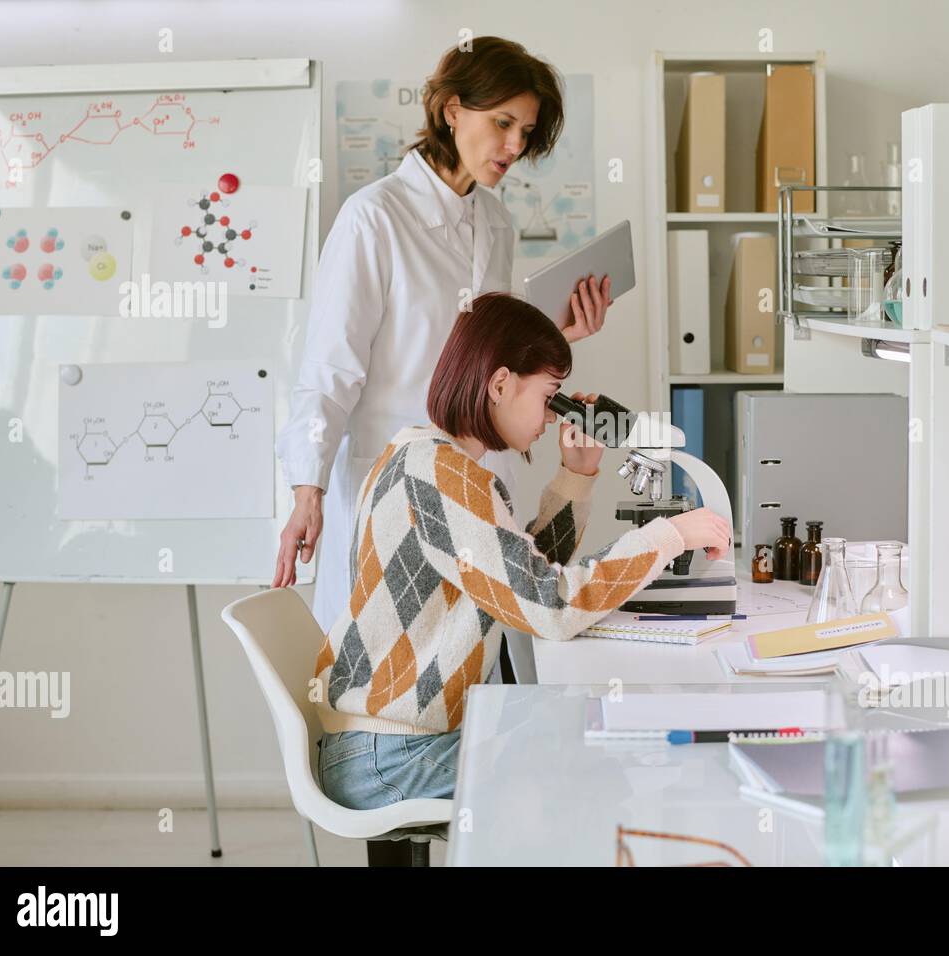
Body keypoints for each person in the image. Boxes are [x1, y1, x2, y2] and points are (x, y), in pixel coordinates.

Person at [312, 293, 732, 810]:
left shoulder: (428, 457)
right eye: (550, 395)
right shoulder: (442, 474)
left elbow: (518, 578)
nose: (554, 416)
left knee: (590, 736)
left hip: (392, 740)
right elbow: (549, 605)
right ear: (500, 383)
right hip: (390, 753)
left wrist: (576, 474)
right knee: (593, 770)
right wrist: (670, 535)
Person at [272, 37, 613, 639]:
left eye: (527, 132)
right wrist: (308, 489)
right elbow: (331, 372)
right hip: (395, 484)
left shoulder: (498, 223)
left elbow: (481, 359)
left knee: (473, 651)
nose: (514, 146)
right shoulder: (374, 217)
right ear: (451, 110)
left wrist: (559, 332)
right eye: (503, 122)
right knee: (391, 662)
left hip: (477, 481)